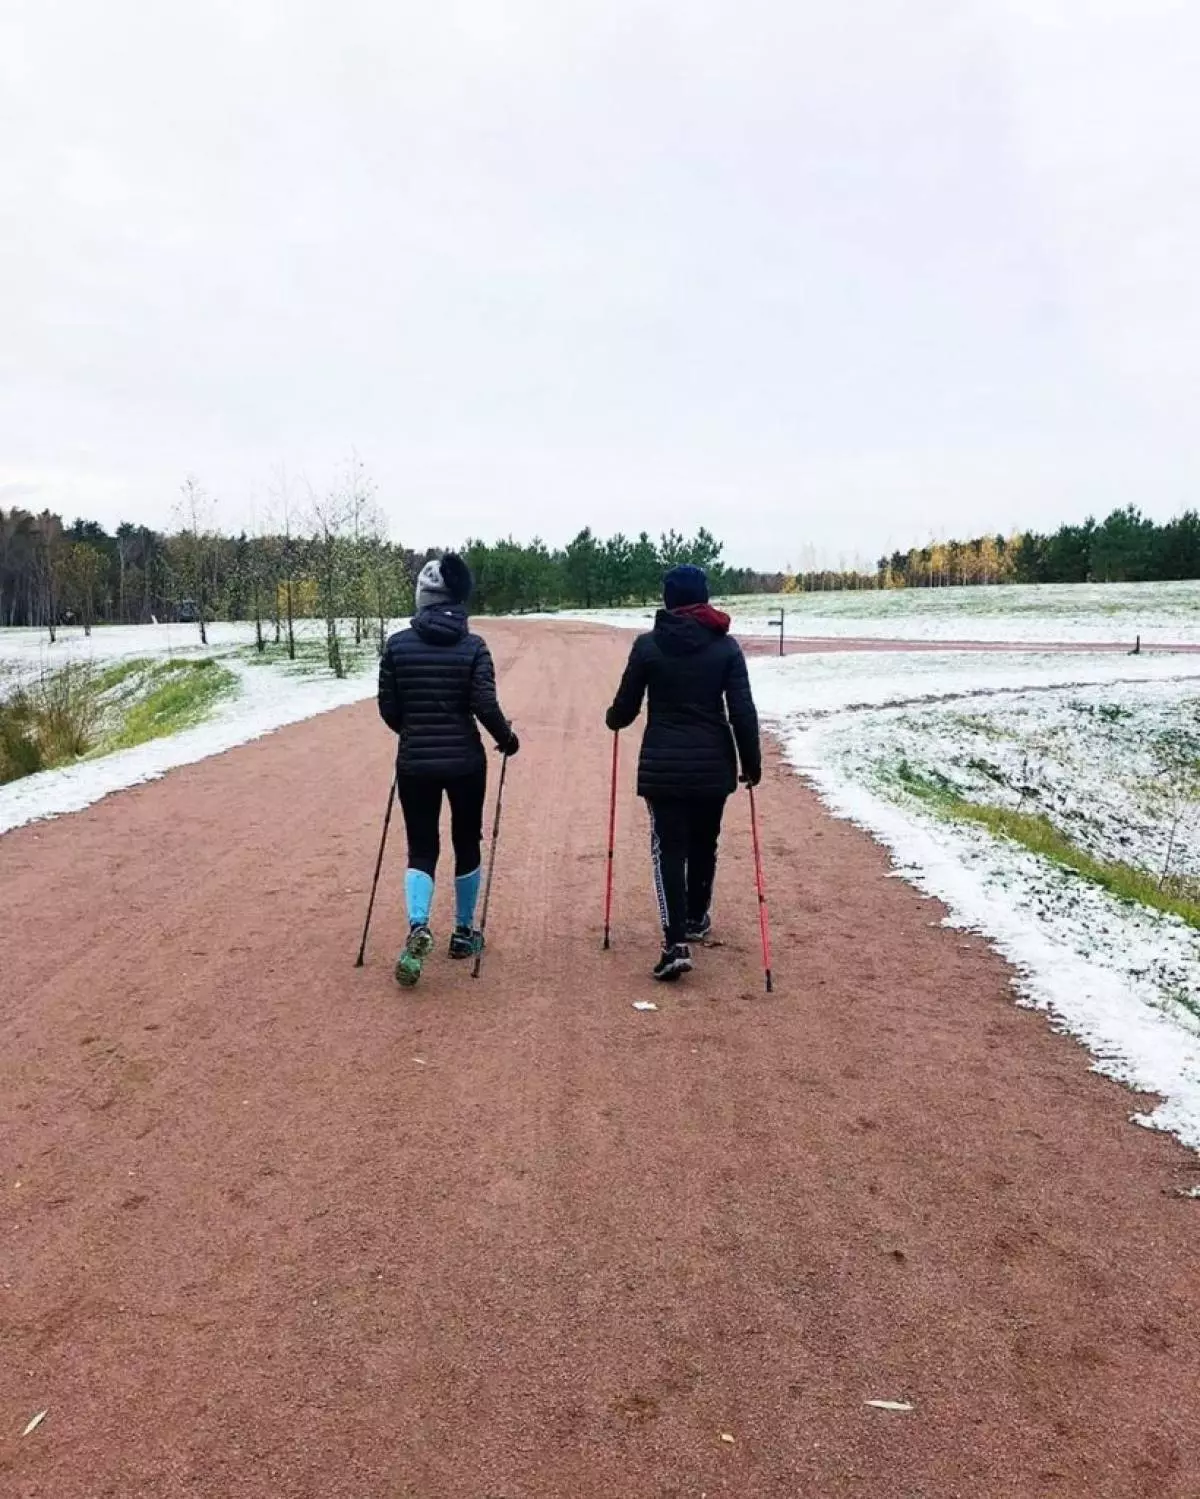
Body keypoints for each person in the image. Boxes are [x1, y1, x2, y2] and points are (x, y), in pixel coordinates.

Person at [605, 563, 762, 981]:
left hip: (664, 766)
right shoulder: (726, 648)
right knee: (704, 842)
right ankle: (695, 917)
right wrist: (752, 763)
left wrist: (613, 719)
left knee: (668, 849)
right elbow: (742, 711)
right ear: (704, 597)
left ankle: (675, 941)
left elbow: (626, 707)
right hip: (714, 764)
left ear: (668, 599)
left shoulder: (648, 646)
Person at [378, 553, 519, 988]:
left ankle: (419, 925)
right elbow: (483, 703)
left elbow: (389, 709)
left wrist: (414, 730)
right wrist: (507, 738)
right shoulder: (474, 647)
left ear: (423, 597)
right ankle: (463, 933)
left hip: (416, 760)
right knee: (466, 841)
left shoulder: (397, 645)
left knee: (422, 846)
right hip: (465, 763)